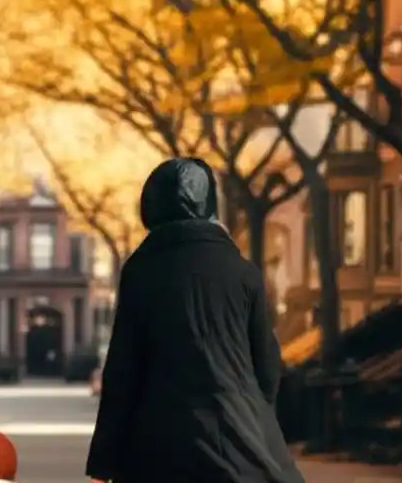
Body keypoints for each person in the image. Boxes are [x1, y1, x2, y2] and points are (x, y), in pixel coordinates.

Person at [86, 158, 304, 483]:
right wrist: (256, 423)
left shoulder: (140, 272)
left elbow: (123, 373)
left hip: (159, 451)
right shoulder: (243, 273)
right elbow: (268, 367)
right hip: (240, 450)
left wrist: (104, 464)